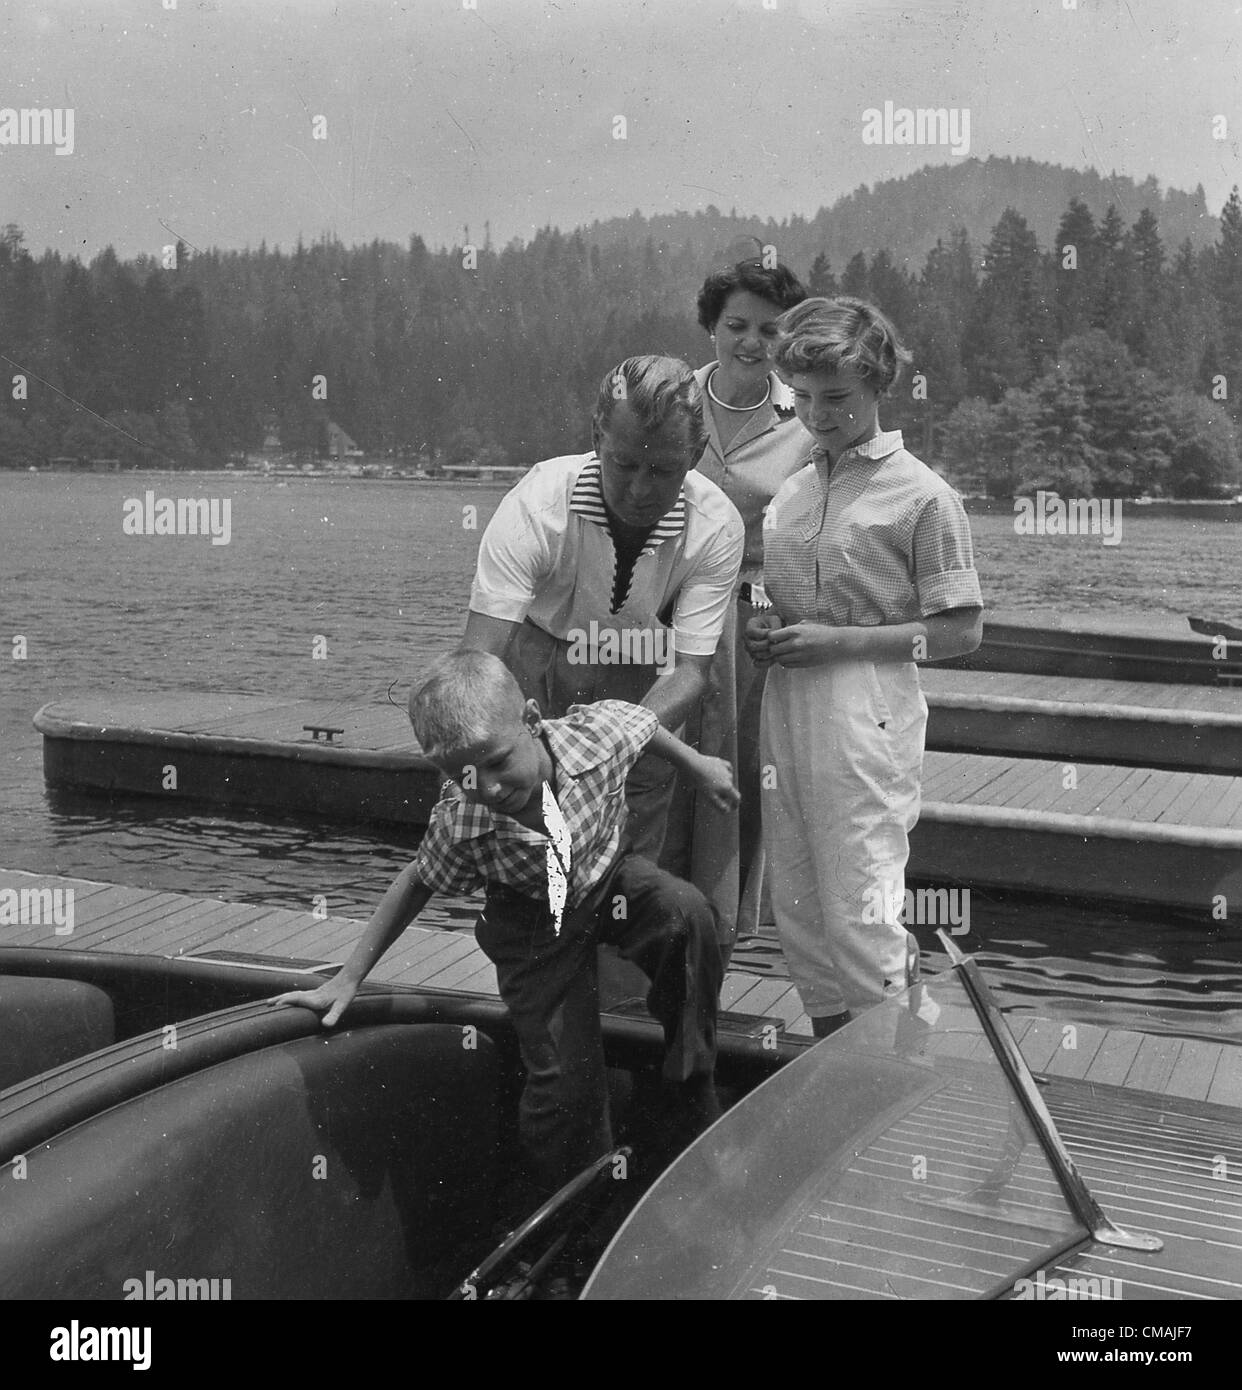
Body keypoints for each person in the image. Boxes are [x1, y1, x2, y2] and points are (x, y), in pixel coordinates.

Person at [272, 650, 737, 1204]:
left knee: (684, 912)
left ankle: (688, 1076)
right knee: (564, 1085)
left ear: (534, 721)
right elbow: (416, 883)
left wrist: (699, 765)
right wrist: (348, 978)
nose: (487, 787)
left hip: (605, 876)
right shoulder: (462, 821)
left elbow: (644, 724)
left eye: (496, 761)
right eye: (461, 773)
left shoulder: (595, 737)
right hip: (531, 923)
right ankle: (571, 1210)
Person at [745, 296, 983, 1037]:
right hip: (789, 698)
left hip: (867, 702)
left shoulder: (923, 495)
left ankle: (900, 1074)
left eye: (837, 398)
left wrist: (837, 643)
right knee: (800, 904)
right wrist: (765, 626)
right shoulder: (791, 493)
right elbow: (777, 594)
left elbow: (961, 631)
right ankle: (835, 1073)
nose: (817, 414)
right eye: (804, 397)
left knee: (861, 903)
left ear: (879, 385)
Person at [462, 355, 745, 952]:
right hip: (534, 656)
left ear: (693, 460)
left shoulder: (717, 523)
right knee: (524, 824)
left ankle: (616, 1006)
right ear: (596, 437)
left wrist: (611, 745)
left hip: (645, 669)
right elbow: (480, 659)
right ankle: (533, 977)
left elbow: (691, 670)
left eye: (663, 470)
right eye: (623, 463)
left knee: (633, 834)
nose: (640, 489)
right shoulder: (538, 503)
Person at [662, 257, 812, 954]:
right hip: (663, 614)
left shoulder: (805, 420)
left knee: (739, 766)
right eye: (736, 326)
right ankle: (648, 915)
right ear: (711, 328)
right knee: (658, 760)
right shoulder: (669, 398)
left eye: (768, 329)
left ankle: (721, 926)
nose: (751, 342)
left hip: (751, 617)